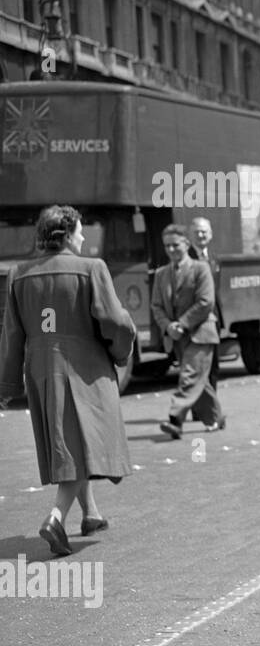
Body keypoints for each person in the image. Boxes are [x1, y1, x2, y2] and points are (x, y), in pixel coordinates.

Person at [0, 205, 135, 556]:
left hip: (42, 370)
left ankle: (91, 513)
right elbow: (116, 323)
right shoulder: (92, 268)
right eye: (79, 231)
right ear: (66, 234)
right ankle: (56, 518)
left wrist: (6, 386)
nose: (84, 236)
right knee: (83, 443)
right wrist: (122, 350)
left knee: (72, 444)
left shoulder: (18, 273)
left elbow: (12, 336)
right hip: (85, 369)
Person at [152, 224, 225, 438]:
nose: (171, 250)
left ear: (186, 244)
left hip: (201, 332)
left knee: (189, 376)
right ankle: (216, 416)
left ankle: (175, 420)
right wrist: (168, 326)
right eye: (167, 246)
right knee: (199, 381)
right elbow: (156, 306)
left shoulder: (201, 268)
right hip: (178, 337)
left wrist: (181, 323)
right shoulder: (160, 274)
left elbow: (206, 302)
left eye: (175, 245)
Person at [188, 217, 222, 393]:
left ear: (210, 234)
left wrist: (219, 321)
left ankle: (212, 409)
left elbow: (216, 293)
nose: (201, 235)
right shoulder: (187, 260)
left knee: (214, 366)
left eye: (204, 232)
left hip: (213, 320)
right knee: (197, 368)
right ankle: (198, 409)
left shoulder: (215, 259)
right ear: (190, 235)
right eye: (197, 232)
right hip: (196, 322)